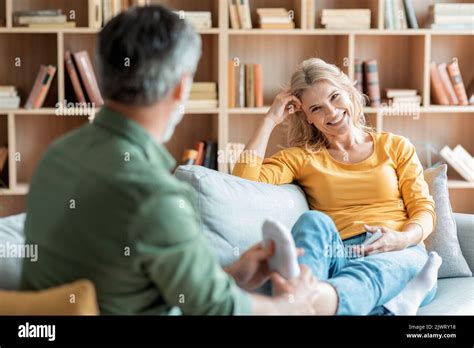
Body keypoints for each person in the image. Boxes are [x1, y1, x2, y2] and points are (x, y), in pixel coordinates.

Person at [20, 6, 332, 315]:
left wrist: (232, 275)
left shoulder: (56, 156)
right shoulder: (154, 194)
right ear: (182, 87)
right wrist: (289, 307)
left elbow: (131, 284)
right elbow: (217, 309)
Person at [233, 58, 442, 315]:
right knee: (313, 221)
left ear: (349, 91)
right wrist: (270, 120)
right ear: (307, 118)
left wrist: (402, 238)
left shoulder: (395, 146)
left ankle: (307, 302)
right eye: (317, 108)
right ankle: (384, 302)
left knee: (381, 270)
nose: (331, 112)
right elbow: (243, 182)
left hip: (400, 250)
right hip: (339, 254)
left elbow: (424, 209)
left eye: (335, 97)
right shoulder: (302, 157)